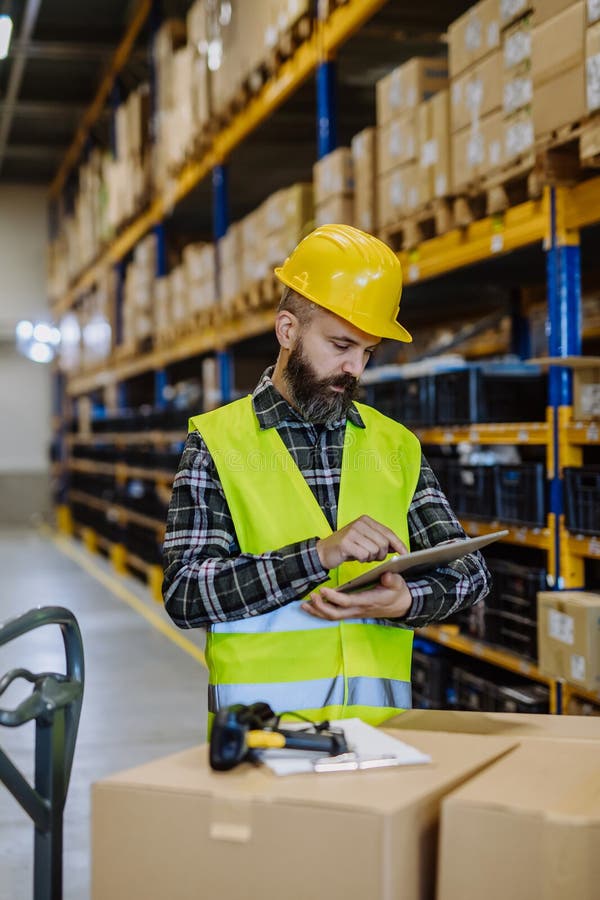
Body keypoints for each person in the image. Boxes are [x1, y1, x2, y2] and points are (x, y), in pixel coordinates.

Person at [162, 223, 490, 729]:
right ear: (287, 330)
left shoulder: (394, 445)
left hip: (377, 741)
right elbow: (186, 593)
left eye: (366, 353)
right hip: (263, 741)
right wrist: (316, 556)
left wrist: (407, 600)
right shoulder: (217, 443)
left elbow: (470, 574)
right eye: (340, 345)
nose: (353, 369)